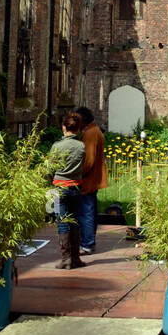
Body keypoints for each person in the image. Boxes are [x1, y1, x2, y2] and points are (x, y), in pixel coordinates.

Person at [45, 112, 86, 270]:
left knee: (62, 222)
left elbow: (50, 168)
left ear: (64, 127)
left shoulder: (57, 146)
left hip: (59, 188)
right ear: (78, 129)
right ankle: (76, 258)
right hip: (76, 187)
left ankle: (65, 259)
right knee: (75, 221)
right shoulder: (81, 146)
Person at [71, 105, 107, 255]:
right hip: (92, 178)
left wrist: (76, 174)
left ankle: (87, 244)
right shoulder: (94, 131)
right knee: (89, 210)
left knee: (86, 211)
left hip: (88, 179)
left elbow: (88, 160)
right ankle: (88, 242)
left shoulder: (91, 134)